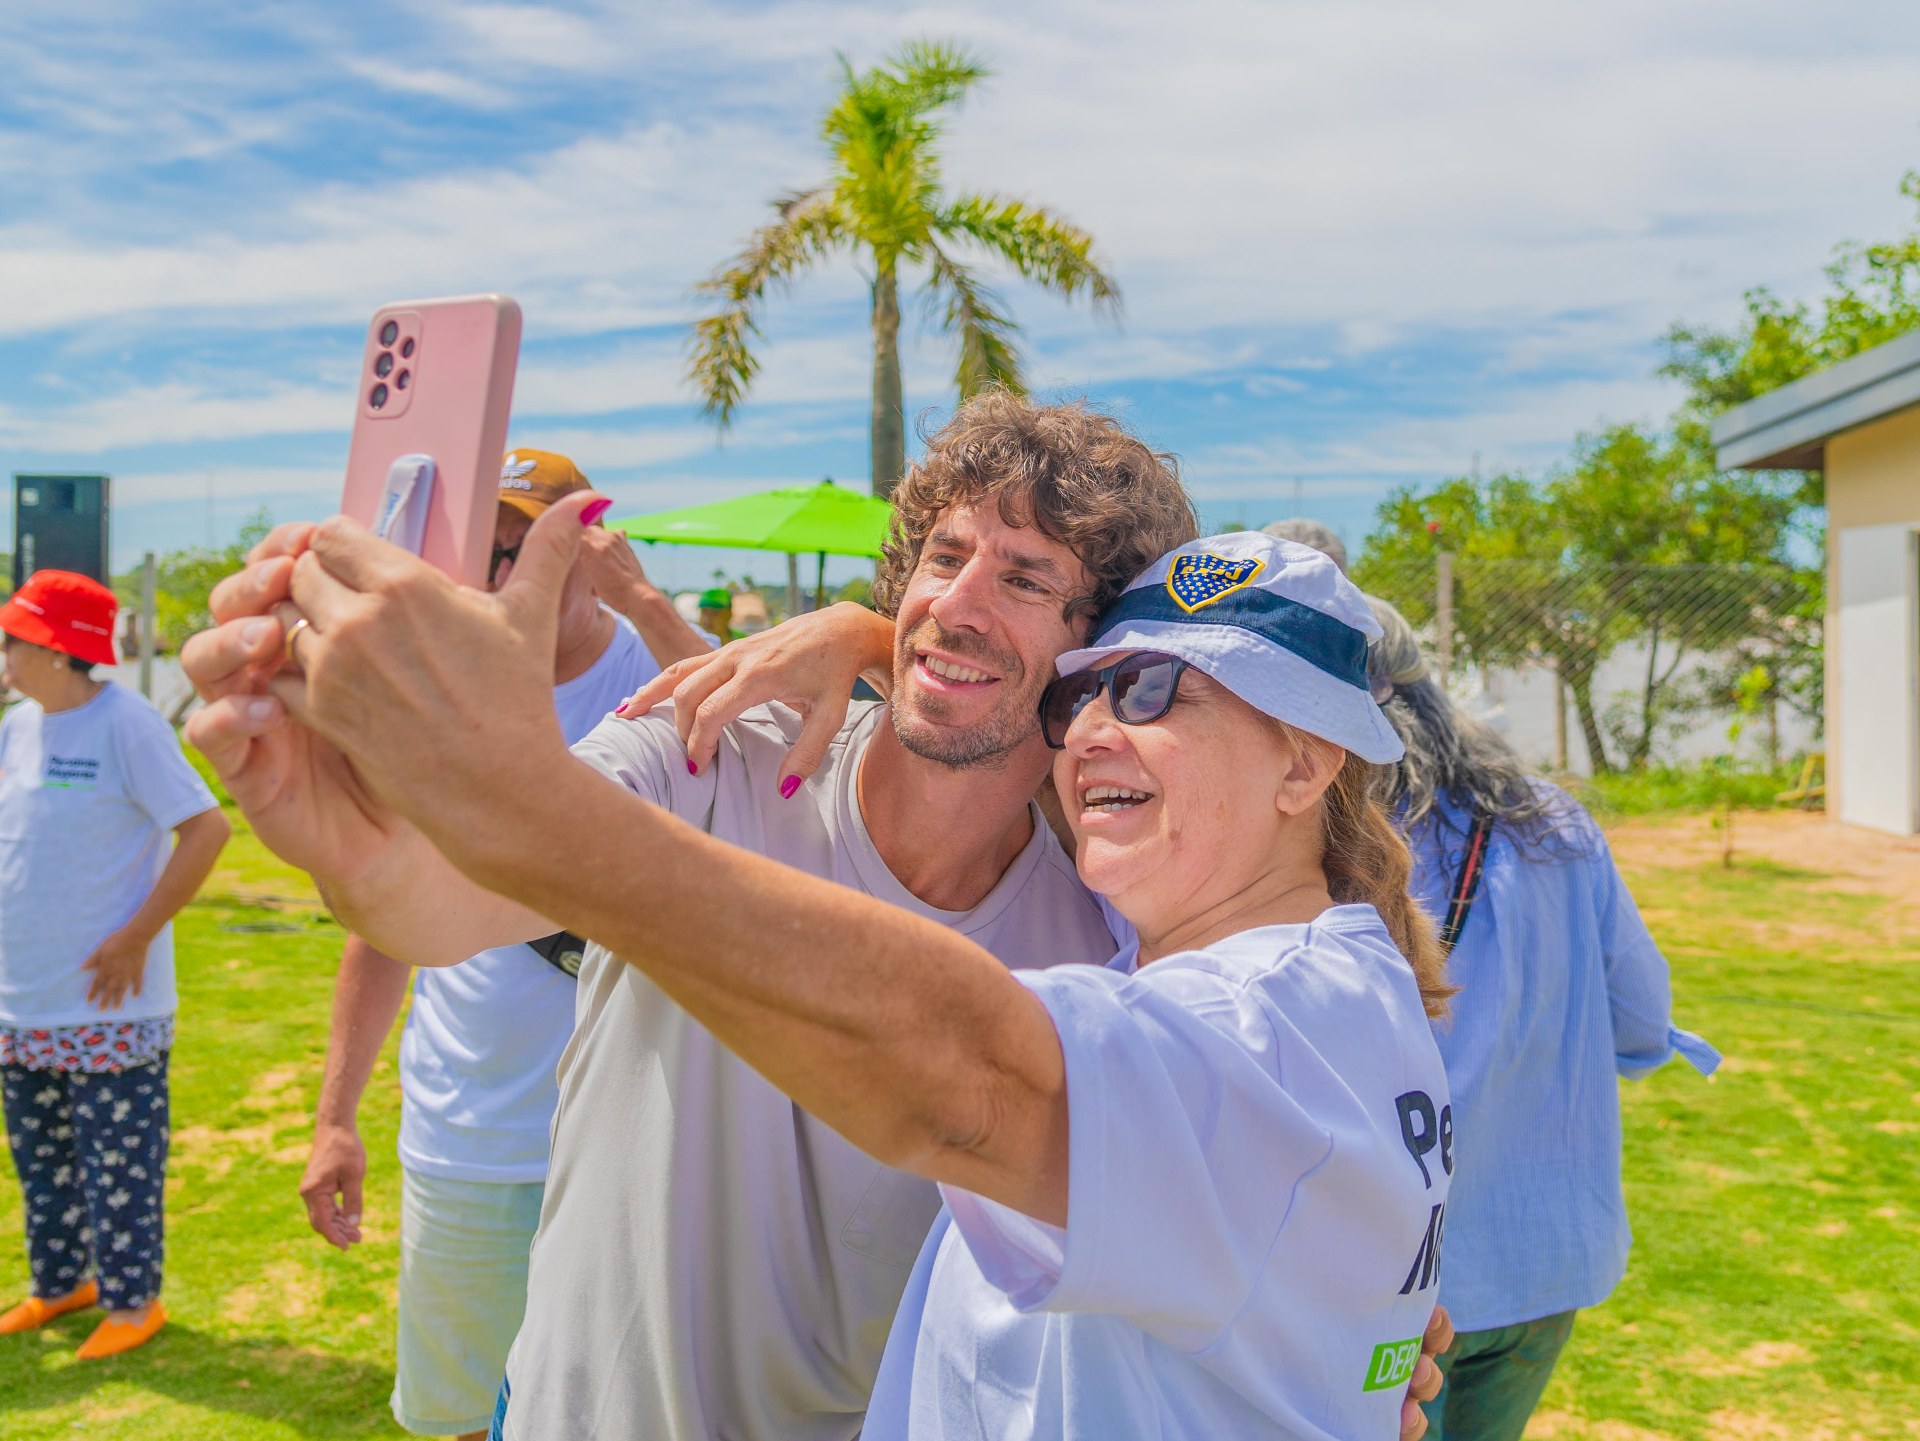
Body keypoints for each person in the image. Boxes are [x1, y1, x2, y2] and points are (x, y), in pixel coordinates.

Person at [179, 397, 1449, 1438]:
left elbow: (984, 1082)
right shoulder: (716, 748)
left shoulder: (1111, 911)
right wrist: (368, 829)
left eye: (1026, 580)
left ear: (1081, 649)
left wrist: (1345, 1330)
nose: (957, 600)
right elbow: (442, 899)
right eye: (942, 558)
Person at [297, 448, 713, 1441]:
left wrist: (644, 600)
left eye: (525, 546)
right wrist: (335, 1115)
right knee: (461, 1411)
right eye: (480, 550)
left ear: (588, 546)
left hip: (638, 1129)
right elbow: (385, 918)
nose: (495, 574)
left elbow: (781, 743)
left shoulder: (654, 671)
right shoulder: (435, 690)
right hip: (471, 1124)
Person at [1362, 597, 1718, 1441]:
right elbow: (1641, 1017)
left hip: (1402, 1280)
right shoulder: (1557, 818)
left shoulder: (1351, 839)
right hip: (1549, 1262)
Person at [0, 570, 230, 1358]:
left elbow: (206, 829)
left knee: (119, 1166)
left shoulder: (126, 724)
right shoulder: (15, 727)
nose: (4, 651)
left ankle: (135, 1301)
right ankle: (61, 1283)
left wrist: (137, 934)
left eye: (13, 638)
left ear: (60, 651)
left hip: (108, 1004)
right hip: (23, 1001)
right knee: (42, 1161)